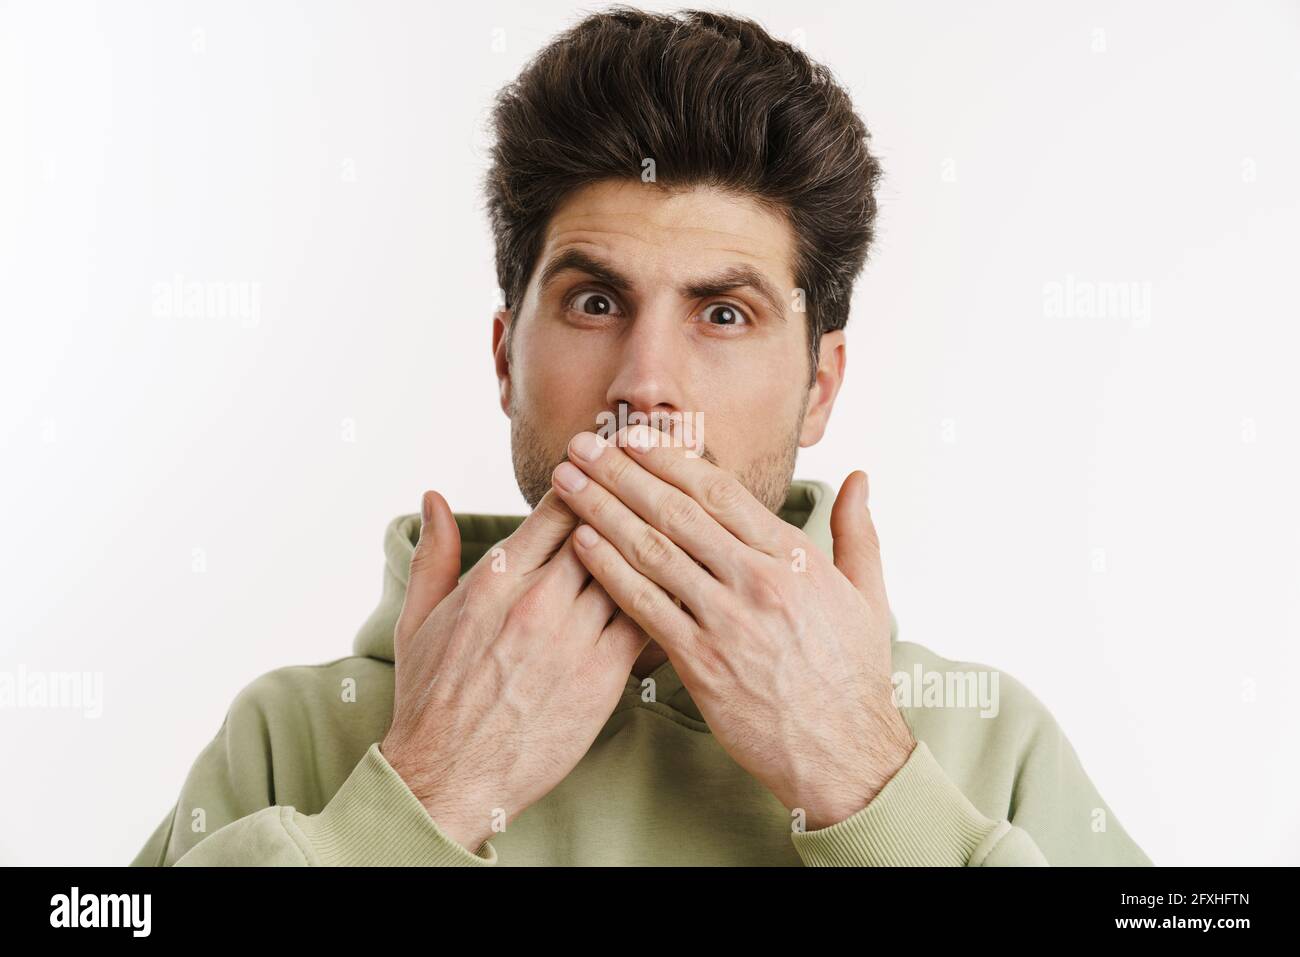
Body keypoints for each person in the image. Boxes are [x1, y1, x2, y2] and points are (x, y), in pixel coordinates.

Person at [131, 6, 1151, 866]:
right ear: (503, 359)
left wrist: (867, 781)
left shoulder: (988, 743)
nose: (647, 386)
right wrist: (421, 797)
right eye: (593, 302)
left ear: (818, 387)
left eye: (722, 313)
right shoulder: (295, 734)